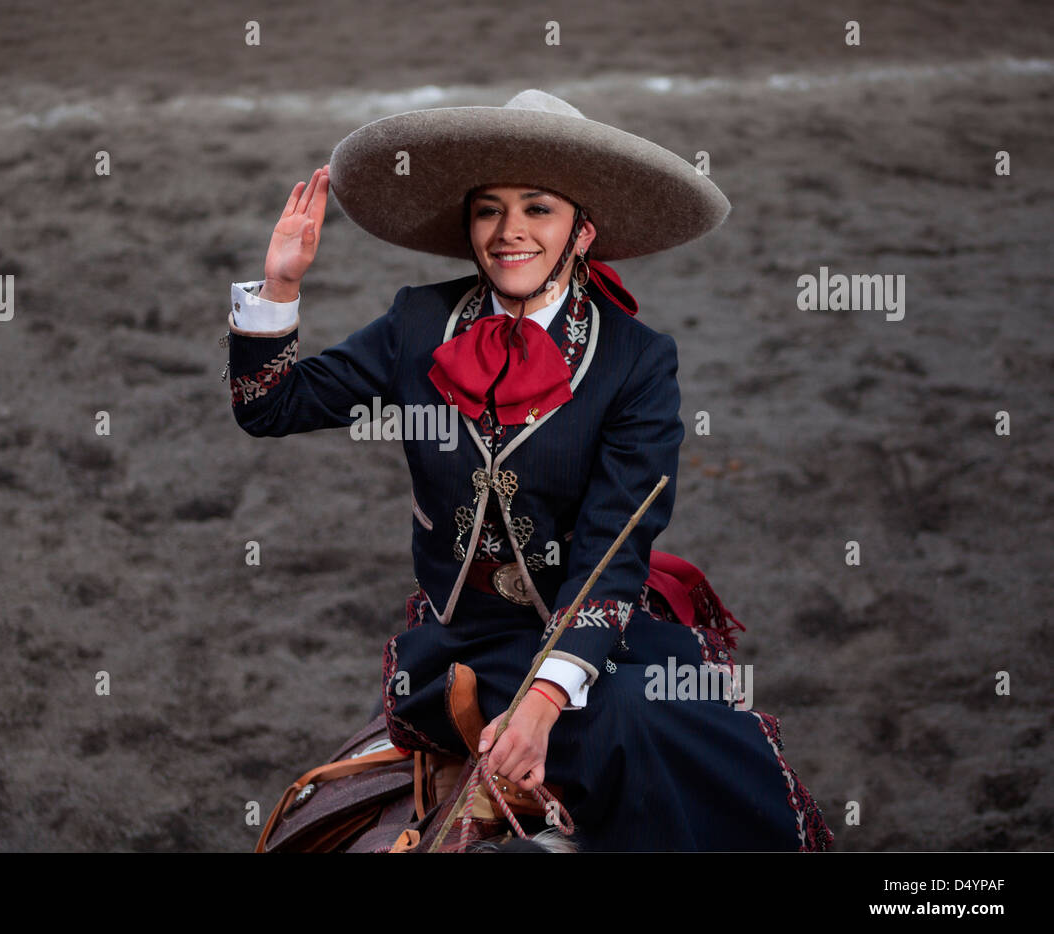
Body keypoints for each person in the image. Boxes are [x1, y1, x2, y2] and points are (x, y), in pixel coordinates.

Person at [225, 89, 833, 851]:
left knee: (651, 721)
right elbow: (267, 406)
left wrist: (548, 696)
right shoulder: (418, 322)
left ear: (583, 231)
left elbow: (616, 544)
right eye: (489, 209)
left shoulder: (637, 361)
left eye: (537, 208)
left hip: (583, 621)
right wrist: (281, 285)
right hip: (467, 639)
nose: (510, 231)